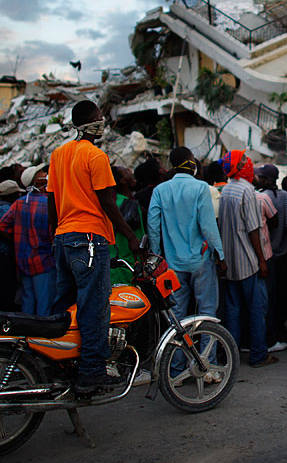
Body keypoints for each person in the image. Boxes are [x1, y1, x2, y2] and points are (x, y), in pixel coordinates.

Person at [48, 100, 139, 395]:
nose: (103, 122)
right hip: (88, 238)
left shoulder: (58, 154)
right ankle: (91, 371)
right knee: (95, 307)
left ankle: (58, 364)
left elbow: (52, 200)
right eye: (100, 118)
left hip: (64, 238)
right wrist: (129, 236)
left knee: (63, 304)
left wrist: (56, 234)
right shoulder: (96, 156)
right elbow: (107, 202)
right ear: (91, 123)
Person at [147, 147, 226, 381]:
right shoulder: (201, 187)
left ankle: (176, 369)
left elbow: (153, 226)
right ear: (191, 163)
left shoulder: (160, 190)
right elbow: (208, 226)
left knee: (177, 318)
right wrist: (220, 254)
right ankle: (206, 366)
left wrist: (157, 255)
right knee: (206, 313)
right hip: (200, 260)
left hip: (172, 263)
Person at [218, 150, 277, 368]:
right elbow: (254, 229)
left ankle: (231, 356)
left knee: (233, 311)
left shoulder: (226, 191)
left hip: (231, 262)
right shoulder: (247, 191)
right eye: (244, 161)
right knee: (256, 310)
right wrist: (262, 261)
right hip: (248, 261)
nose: (248, 163)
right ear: (240, 167)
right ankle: (258, 355)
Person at [0, 169, 56, 315]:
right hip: (44, 262)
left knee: (28, 303)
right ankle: (42, 336)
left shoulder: (19, 203)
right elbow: (53, 235)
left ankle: (26, 335)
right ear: (40, 183)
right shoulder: (49, 205)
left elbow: (1, 226)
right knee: (44, 305)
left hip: (23, 262)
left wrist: (17, 239)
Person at [256, 164, 287, 352]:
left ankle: (271, 334)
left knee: (269, 298)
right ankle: (280, 331)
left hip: (269, 255)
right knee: (282, 296)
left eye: (260, 176)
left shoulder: (262, 197)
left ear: (267, 179)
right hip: (283, 252)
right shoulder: (285, 196)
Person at [0, 180, 22, 310]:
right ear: (13, 195)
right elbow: (2, 229)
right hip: (6, 257)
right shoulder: (8, 210)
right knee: (8, 293)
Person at [107, 166, 145, 285]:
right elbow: (140, 236)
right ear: (123, 180)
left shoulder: (106, 203)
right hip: (128, 265)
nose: (131, 174)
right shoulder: (131, 204)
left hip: (109, 265)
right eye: (127, 172)